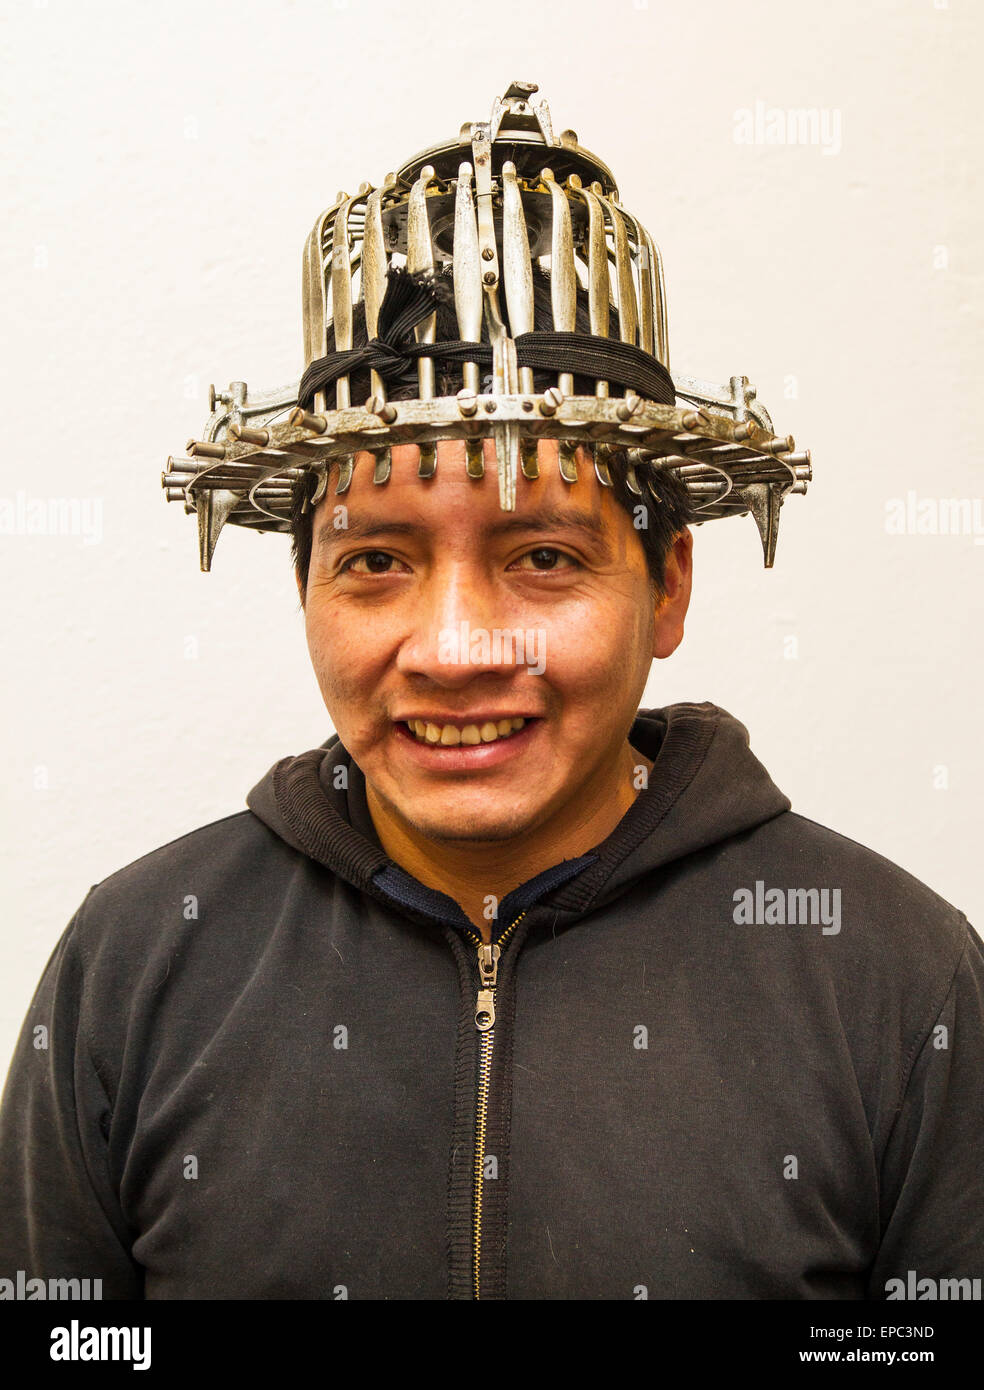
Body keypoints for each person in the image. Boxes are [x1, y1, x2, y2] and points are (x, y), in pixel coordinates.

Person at [1, 81, 981, 1302]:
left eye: (544, 558)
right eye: (375, 561)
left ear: (668, 586)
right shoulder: (135, 965)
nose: (455, 646)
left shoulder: (897, 980)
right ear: (302, 583)